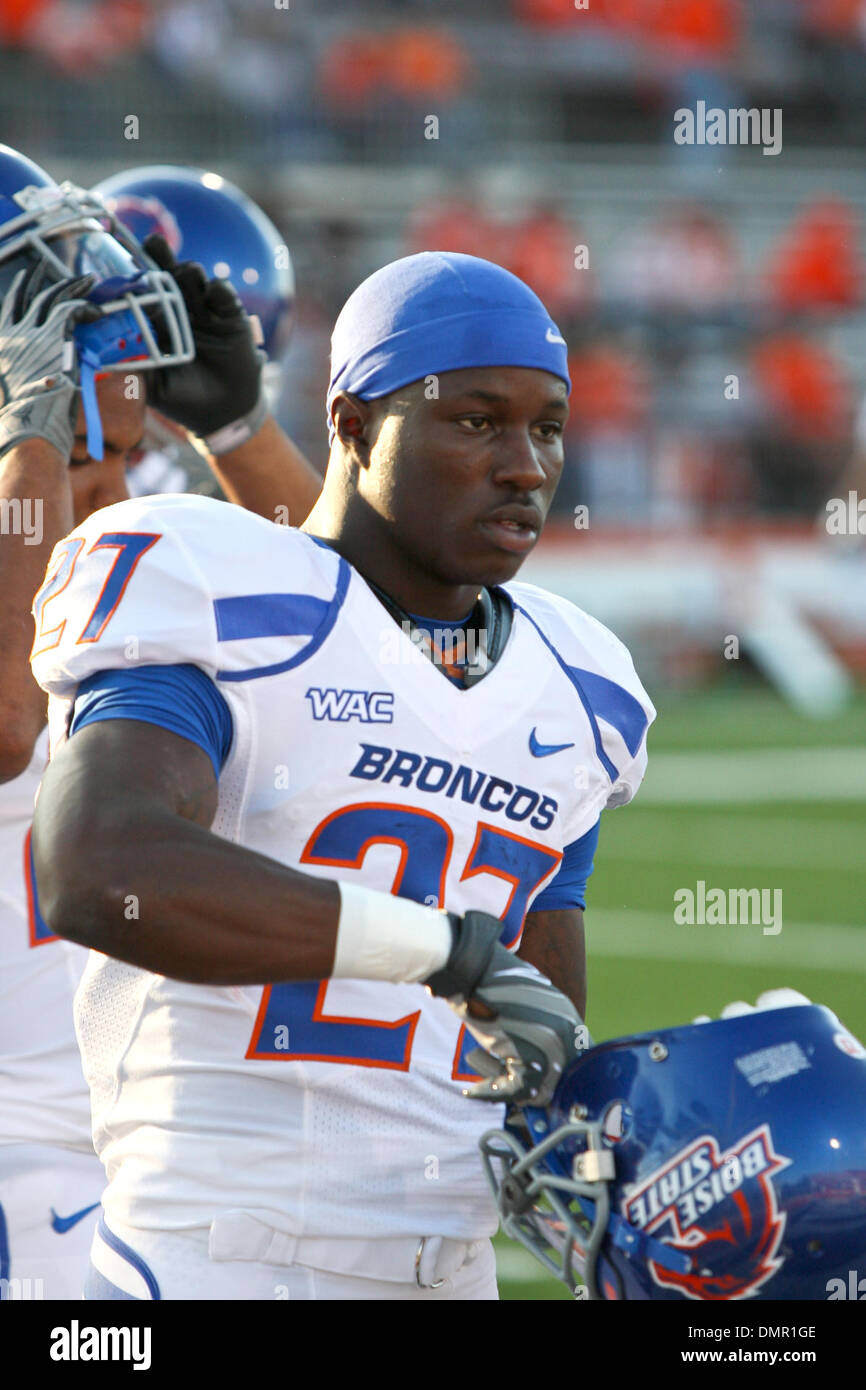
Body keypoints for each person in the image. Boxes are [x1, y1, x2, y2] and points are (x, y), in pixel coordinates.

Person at [29, 251, 655, 1301]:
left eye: (545, 426)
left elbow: (542, 1043)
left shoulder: (581, 684)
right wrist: (441, 949)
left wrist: (695, 1146)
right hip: (208, 1255)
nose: (524, 465)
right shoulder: (217, 581)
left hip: (451, 1271)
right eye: (473, 420)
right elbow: (97, 864)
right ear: (354, 423)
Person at [0, 144, 318, 1299]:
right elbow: (11, 718)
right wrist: (32, 437)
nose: (120, 481)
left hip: (138, 1161)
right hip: (29, 1177)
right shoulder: (34, 510)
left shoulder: (85, 506)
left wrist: (242, 437)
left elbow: (363, 633)